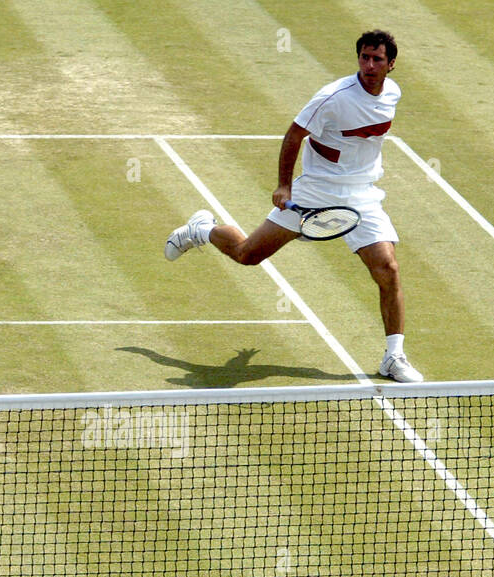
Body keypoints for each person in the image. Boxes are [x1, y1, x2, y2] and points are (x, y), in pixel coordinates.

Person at [164, 29, 423, 384]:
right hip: (315, 191)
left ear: (391, 64)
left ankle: (393, 358)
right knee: (247, 255)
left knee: (388, 269)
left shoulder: (392, 93)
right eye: (364, 57)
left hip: (363, 195)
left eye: (378, 59)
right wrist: (284, 184)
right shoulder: (333, 97)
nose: (369, 65)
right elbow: (294, 135)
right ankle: (203, 229)